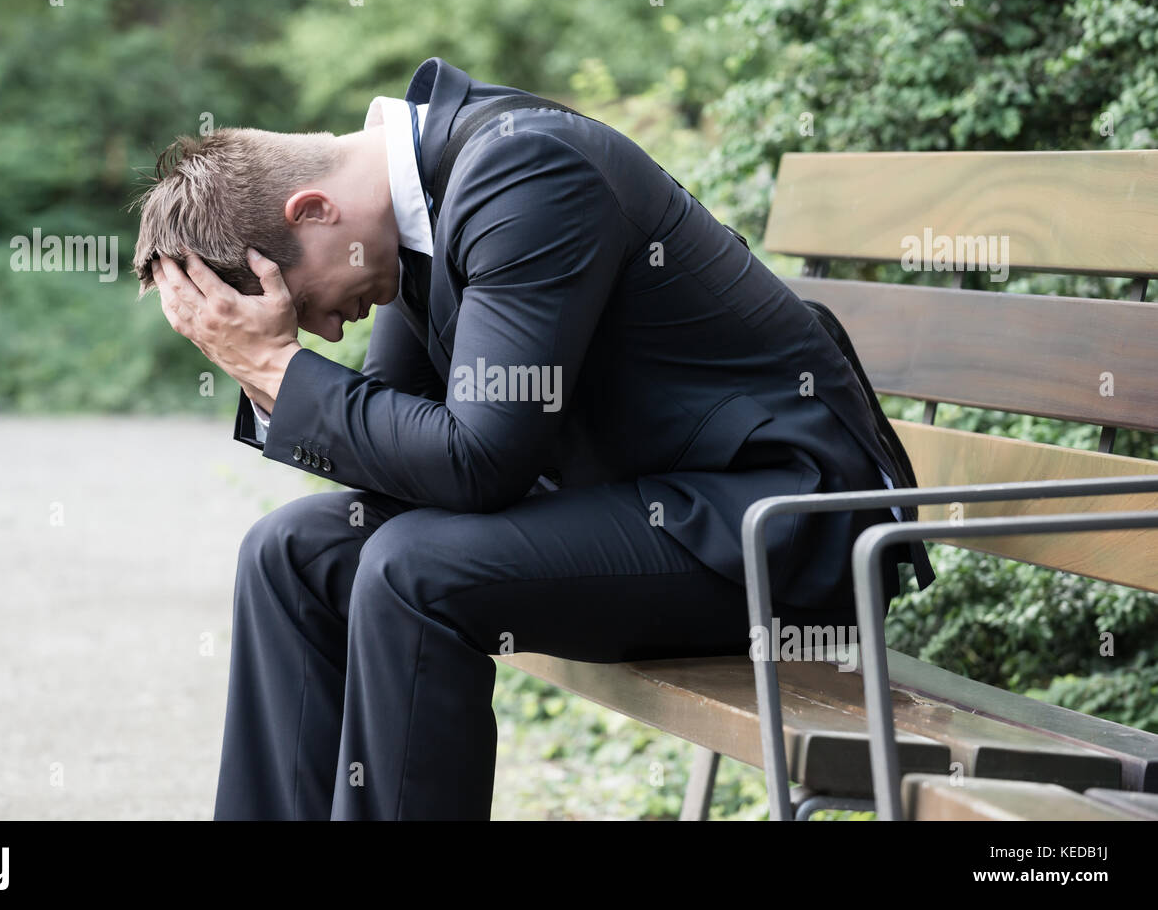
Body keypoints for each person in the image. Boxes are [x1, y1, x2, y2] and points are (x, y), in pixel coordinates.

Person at [132, 57, 934, 820]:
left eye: (296, 301)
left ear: (313, 212)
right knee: (293, 552)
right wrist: (267, 371)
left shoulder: (524, 171)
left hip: (775, 526)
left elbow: (475, 461)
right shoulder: (414, 207)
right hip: (647, 501)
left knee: (415, 570)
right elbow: (413, 461)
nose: (316, 326)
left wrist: (278, 367)